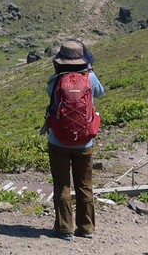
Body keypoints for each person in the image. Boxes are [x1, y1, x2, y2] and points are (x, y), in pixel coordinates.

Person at [43, 39, 105, 240]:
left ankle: (64, 228)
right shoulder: (91, 78)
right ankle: (86, 228)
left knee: (62, 184)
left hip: (58, 140)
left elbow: (48, 94)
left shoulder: (56, 79)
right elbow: (100, 93)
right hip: (85, 142)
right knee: (84, 184)